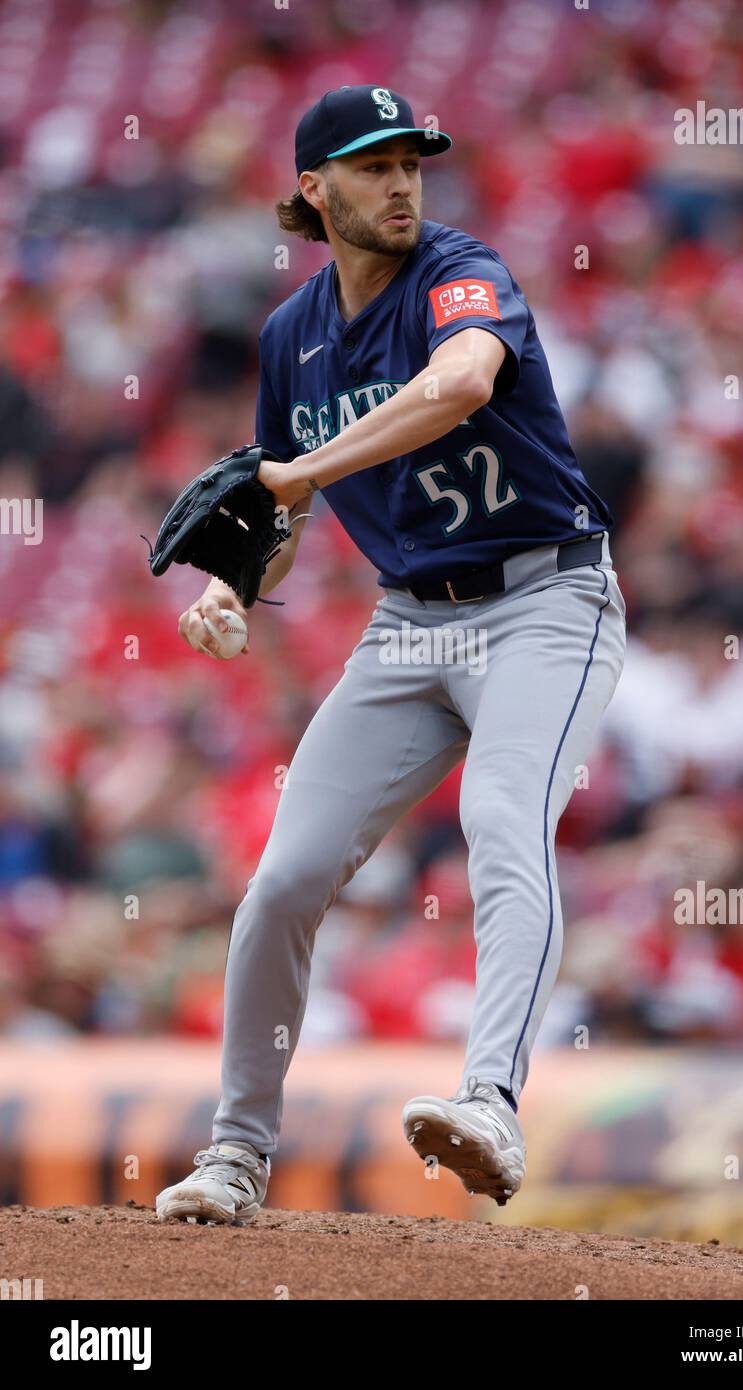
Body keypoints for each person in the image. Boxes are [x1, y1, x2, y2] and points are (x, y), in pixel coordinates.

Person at [156, 85, 626, 1225]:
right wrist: (233, 587)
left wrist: (297, 477)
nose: (402, 181)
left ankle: (492, 1101)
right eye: (371, 166)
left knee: (502, 819)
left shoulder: (459, 270)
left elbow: (460, 382)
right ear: (314, 191)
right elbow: (280, 511)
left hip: (544, 600)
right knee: (281, 881)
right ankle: (234, 1155)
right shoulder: (289, 337)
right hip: (409, 623)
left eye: (412, 160)